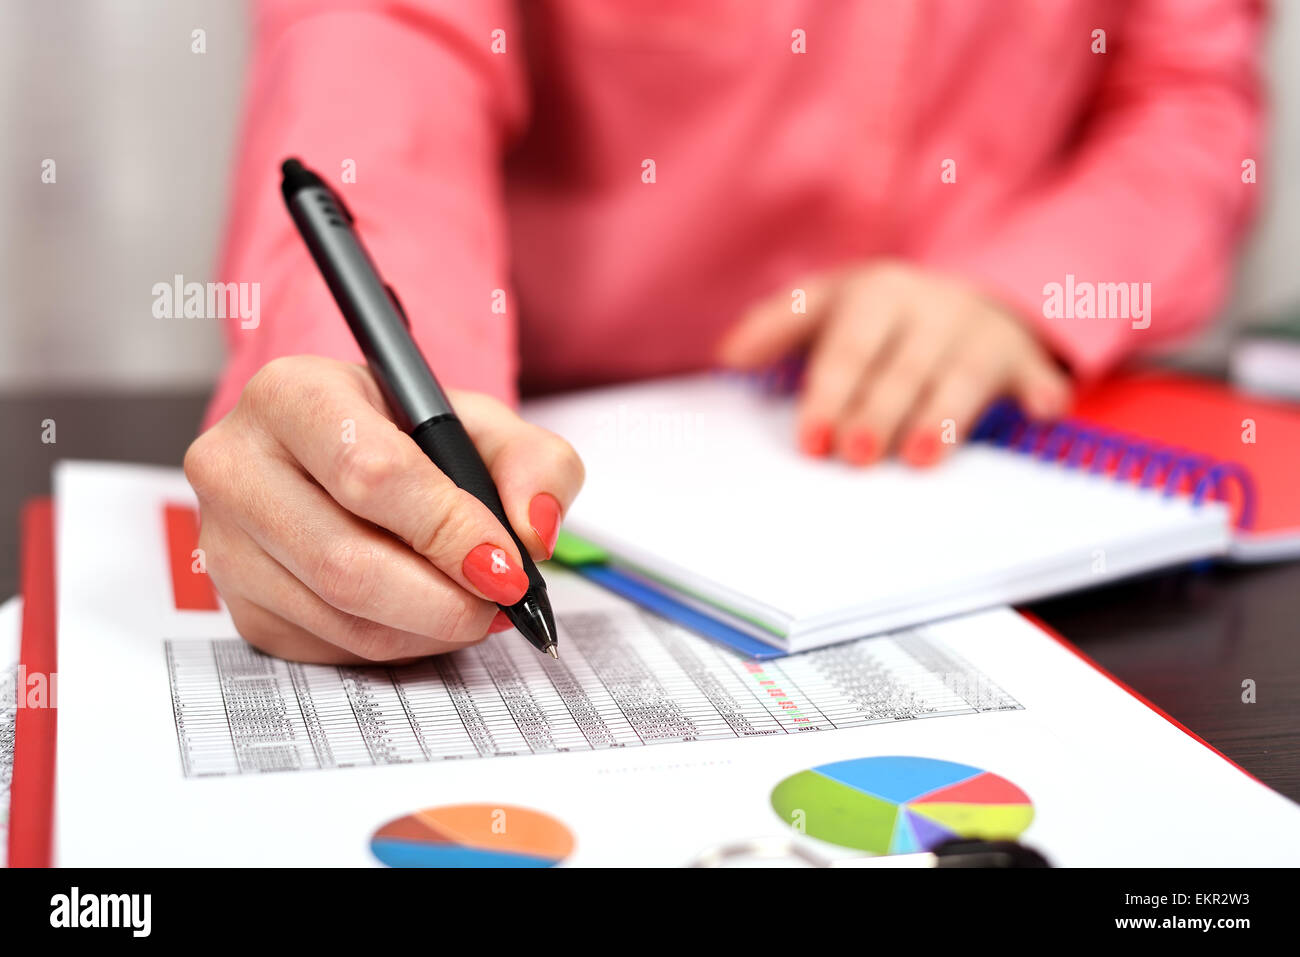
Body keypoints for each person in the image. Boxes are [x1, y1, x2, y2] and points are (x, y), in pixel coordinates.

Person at [184, 0, 1264, 663]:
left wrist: (1022, 285)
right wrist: (365, 423)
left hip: (998, 458)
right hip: (534, 413)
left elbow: (1184, 99)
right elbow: (381, 48)